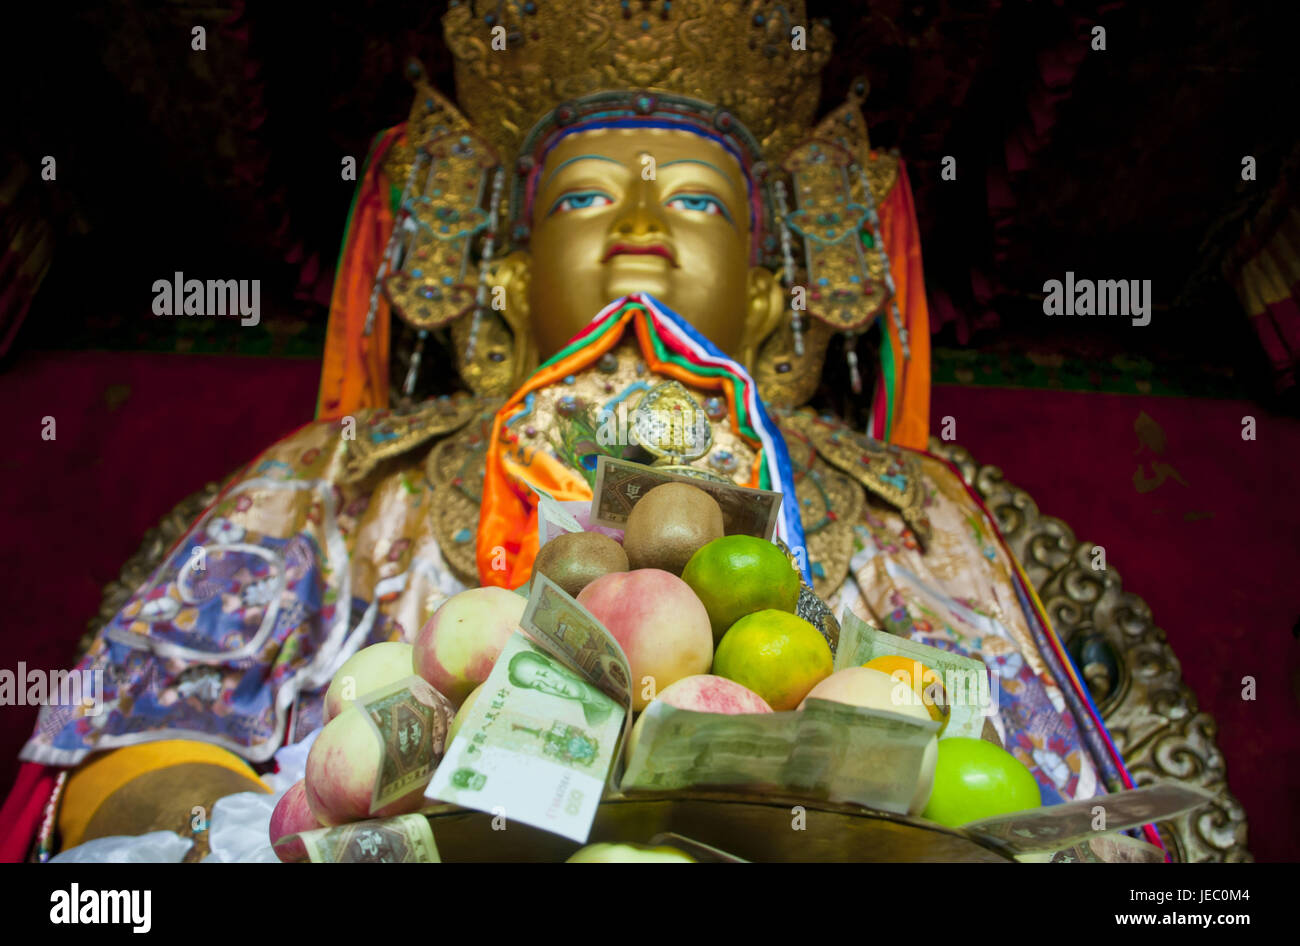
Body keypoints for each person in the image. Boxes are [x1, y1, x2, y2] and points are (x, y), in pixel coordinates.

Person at [5, 1, 1135, 859]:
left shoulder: (908, 505)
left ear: (761, 302)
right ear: (500, 281)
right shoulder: (343, 481)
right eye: (584, 196)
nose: (641, 219)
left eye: (697, 200)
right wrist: (259, 834)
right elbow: (128, 749)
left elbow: (1061, 812)